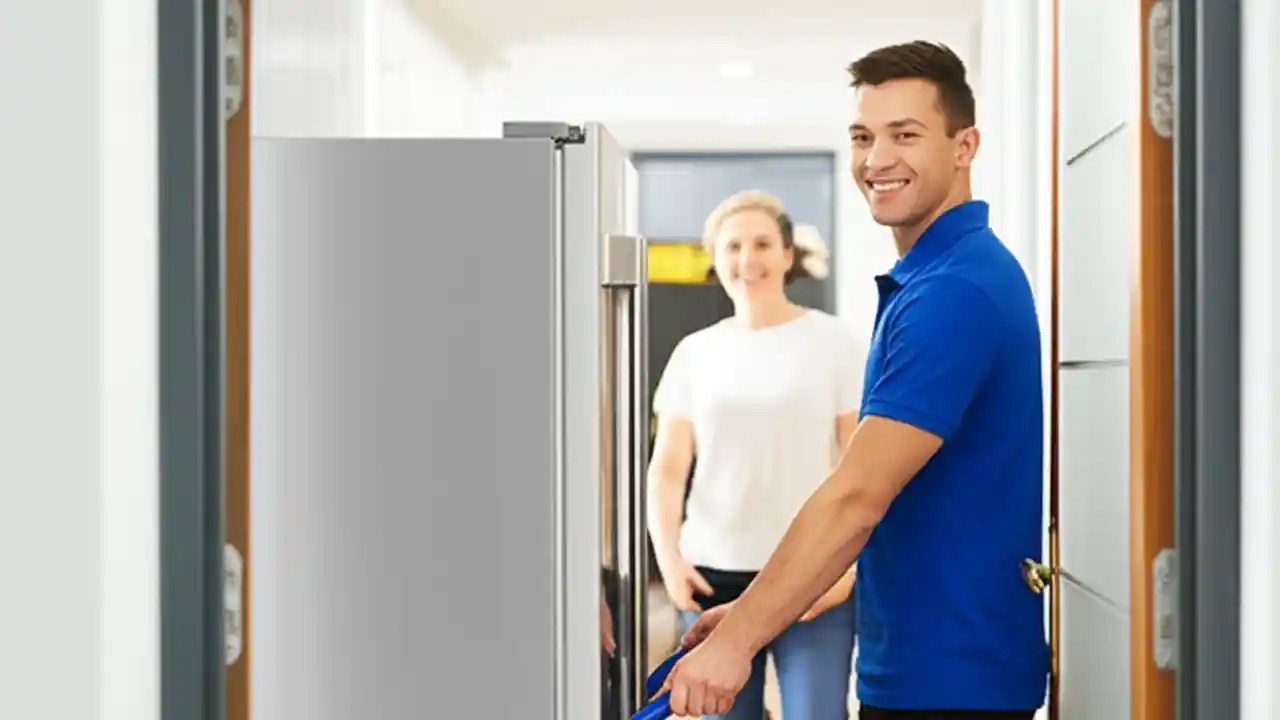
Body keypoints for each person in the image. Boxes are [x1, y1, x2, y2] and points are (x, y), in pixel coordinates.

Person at [659, 41, 1050, 720]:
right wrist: (753, 612)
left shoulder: (953, 292)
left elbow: (858, 494)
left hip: (948, 682)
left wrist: (742, 639)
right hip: (932, 666)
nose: (877, 160)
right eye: (864, 137)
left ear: (965, 146)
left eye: (906, 135)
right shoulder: (936, 279)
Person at [647, 189, 860, 719]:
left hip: (813, 577)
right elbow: (668, 470)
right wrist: (668, 558)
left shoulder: (836, 343)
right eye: (733, 246)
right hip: (712, 578)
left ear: (788, 255)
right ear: (715, 259)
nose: (748, 259)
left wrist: (849, 572)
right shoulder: (695, 353)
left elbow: (860, 468)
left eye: (762, 243)